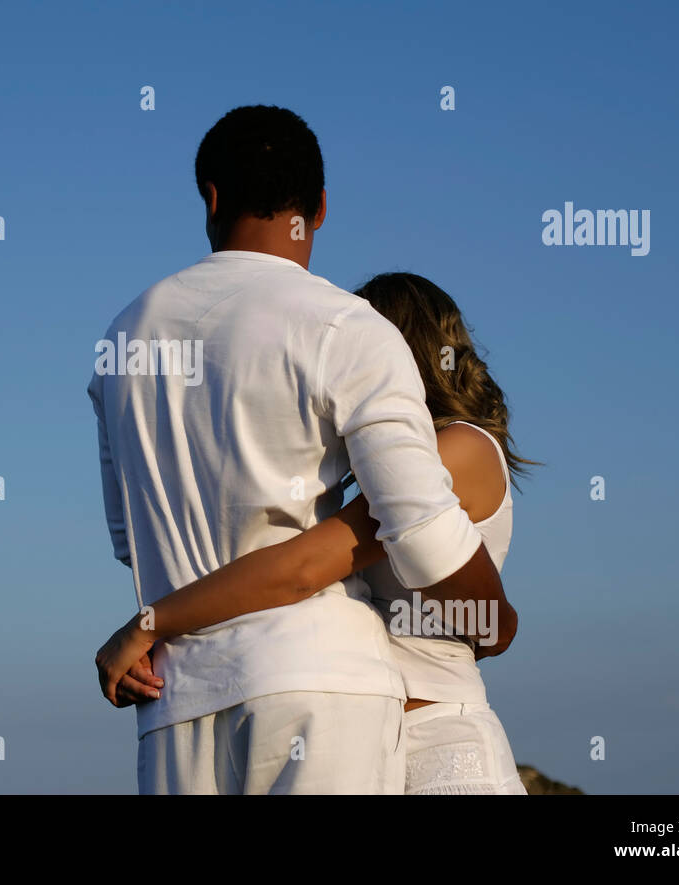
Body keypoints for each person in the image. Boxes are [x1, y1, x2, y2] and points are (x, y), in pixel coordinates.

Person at [87, 105, 516, 794]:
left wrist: (154, 620)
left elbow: (128, 541)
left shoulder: (121, 341)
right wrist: (499, 623)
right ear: (318, 208)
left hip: (175, 702)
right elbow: (426, 540)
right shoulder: (344, 325)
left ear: (211, 196)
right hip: (321, 687)